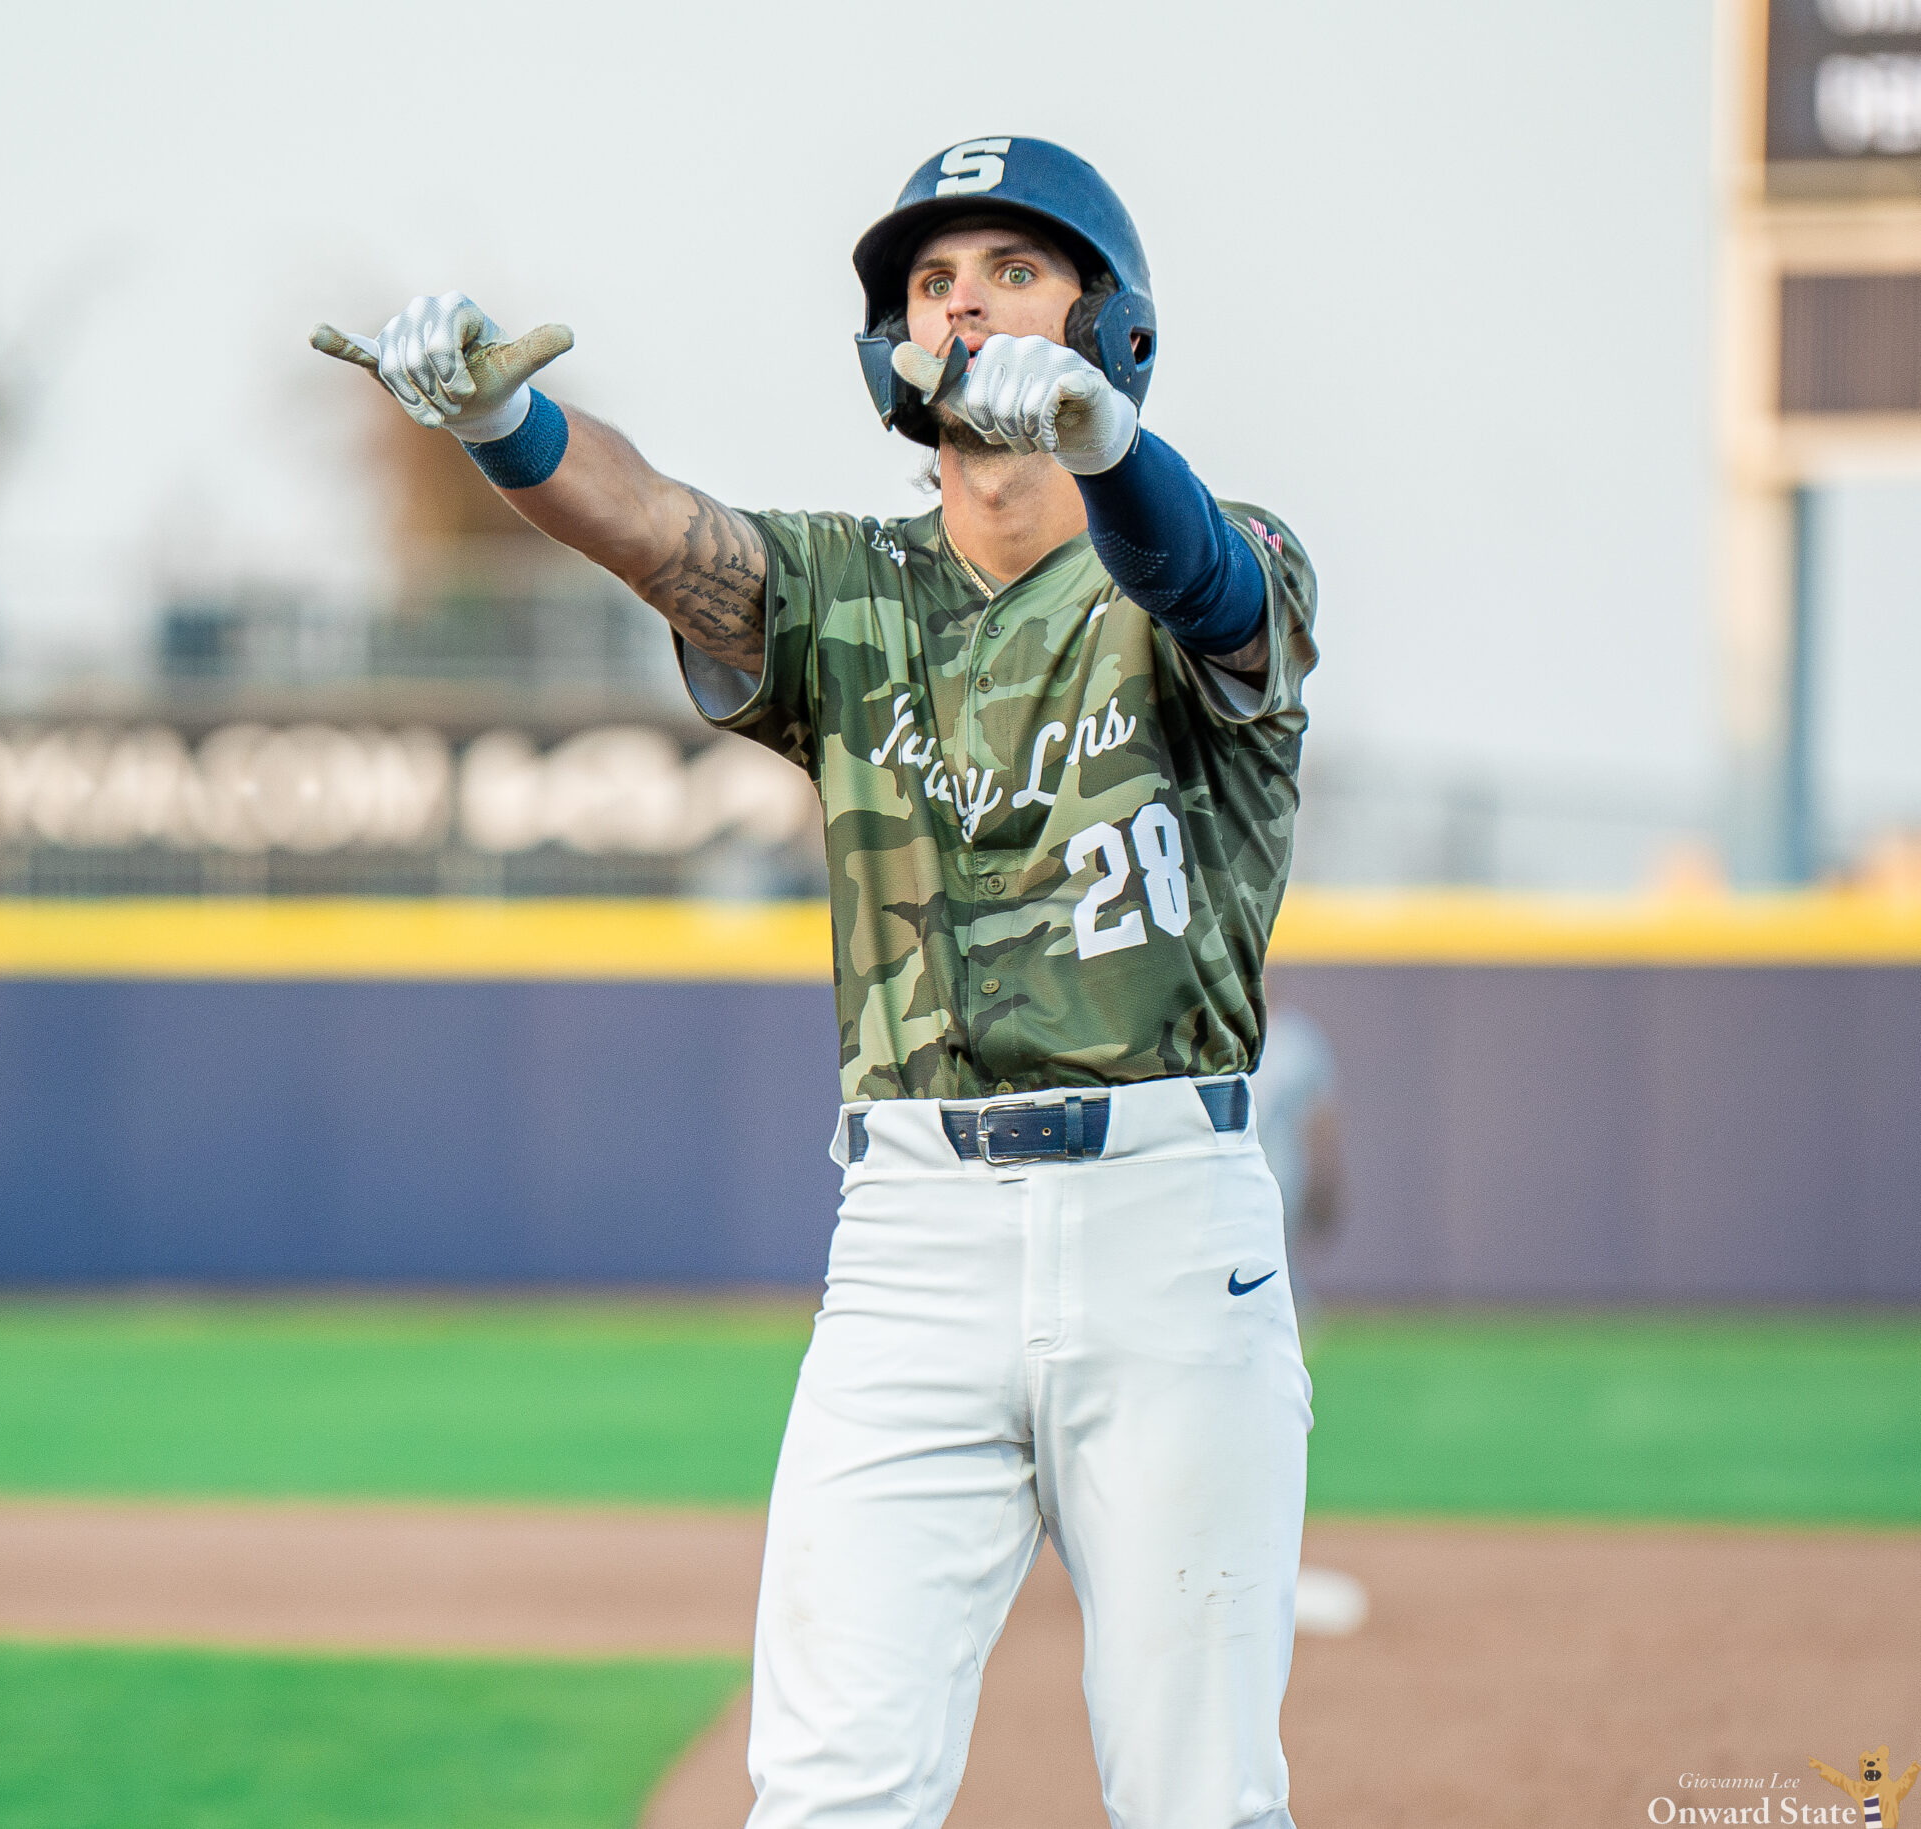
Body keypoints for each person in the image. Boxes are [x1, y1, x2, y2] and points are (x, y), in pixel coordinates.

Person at [316, 135, 1319, 1829]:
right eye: (932, 281)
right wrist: (505, 427)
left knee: (1199, 1793)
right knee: (829, 1785)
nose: (964, 301)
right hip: (913, 1240)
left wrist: (1117, 452)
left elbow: (1208, 586)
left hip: (1167, 1218)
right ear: (895, 349)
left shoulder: (1220, 554)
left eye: (1011, 267)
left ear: (1110, 322)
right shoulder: (849, 590)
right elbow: (657, 530)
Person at [1249, 1004, 1346, 1333]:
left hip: (1283, 1172)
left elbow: (1319, 1118)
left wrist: (1325, 1181)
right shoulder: (1215, 1031)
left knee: (1276, 1260)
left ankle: (1291, 1326)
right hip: (1232, 1172)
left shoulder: (1296, 1041)